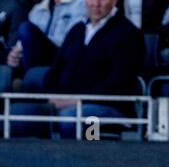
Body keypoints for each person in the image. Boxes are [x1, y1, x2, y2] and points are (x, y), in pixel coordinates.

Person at [43, 0, 145, 131]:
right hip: (68, 103)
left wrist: (75, 101)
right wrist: (53, 97)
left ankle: (90, 149)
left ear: (114, 1)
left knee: (73, 119)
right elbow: (55, 71)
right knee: (23, 113)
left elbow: (118, 84)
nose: (96, 4)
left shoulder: (128, 33)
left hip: (109, 109)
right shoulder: (76, 31)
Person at [6, 0, 86, 75]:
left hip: (64, 57)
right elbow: (22, 44)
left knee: (25, 28)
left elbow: (74, 41)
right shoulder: (38, 8)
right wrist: (15, 55)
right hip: (37, 59)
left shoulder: (81, 5)